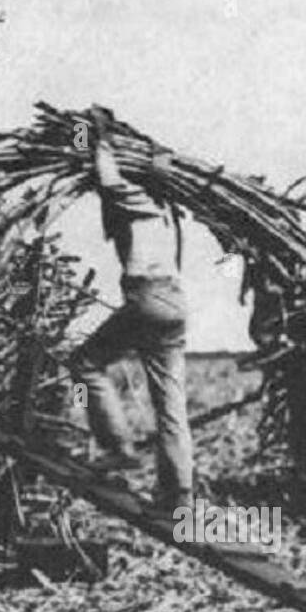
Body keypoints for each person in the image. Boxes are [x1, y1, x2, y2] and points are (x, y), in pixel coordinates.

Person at [71, 107, 193, 509]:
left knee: (85, 363)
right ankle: (179, 495)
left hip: (147, 298)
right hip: (176, 304)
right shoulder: (171, 213)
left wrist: (99, 139)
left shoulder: (139, 199)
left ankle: (119, 446)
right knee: (171, 404)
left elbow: (107, 179)